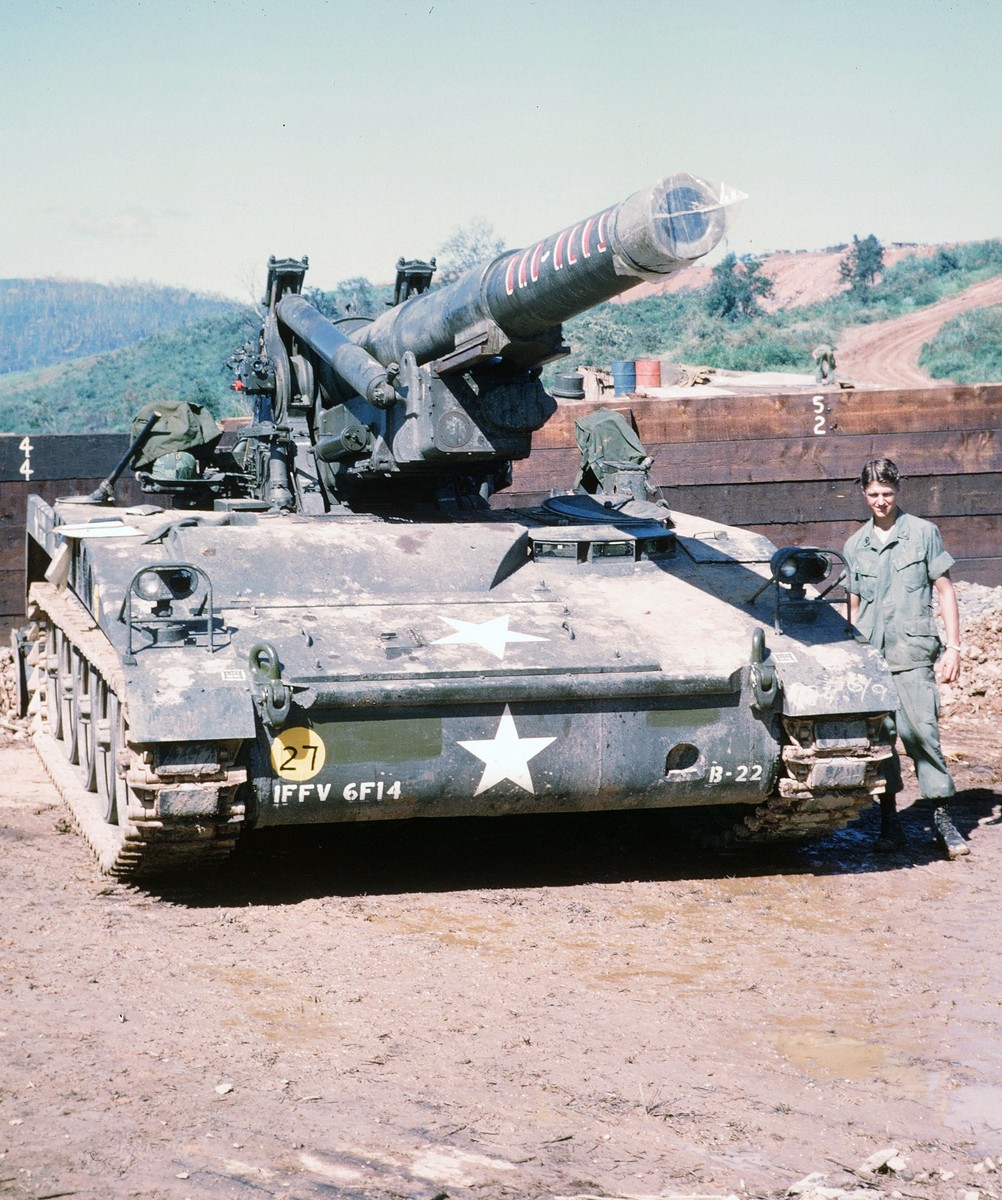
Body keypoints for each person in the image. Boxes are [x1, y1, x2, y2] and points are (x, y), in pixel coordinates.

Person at [842, 457, 967, 855]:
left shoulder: (923, 534)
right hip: (873, 659)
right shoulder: (855, 545)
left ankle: (943, 819)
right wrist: (852, 658)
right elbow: (853, 607)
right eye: (873, 494)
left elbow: (944, 591)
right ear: (864, 494)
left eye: (887, 493)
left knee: (921, 734)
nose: (880, 501)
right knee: (880, 741)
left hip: (912, 653)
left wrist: (954, 648)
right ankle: (889, 823)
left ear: (898, 491)